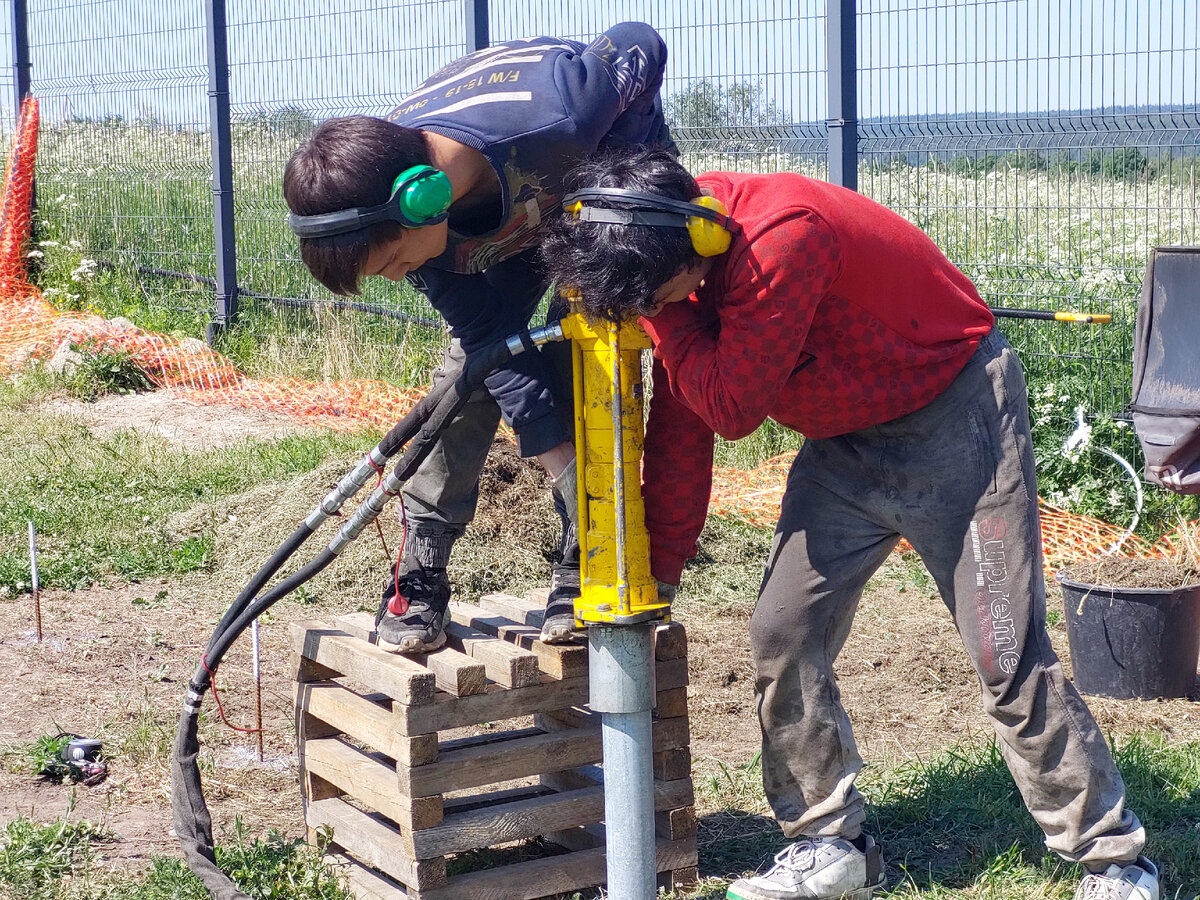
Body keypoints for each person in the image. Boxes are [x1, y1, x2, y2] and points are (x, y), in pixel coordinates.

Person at [540, 147, 1159, 900]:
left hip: (952, 421)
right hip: (844, 444)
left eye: (649, 300)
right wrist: (659, 573)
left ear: (696, 243)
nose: (648, 312)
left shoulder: (782, 238)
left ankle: (1114, 860)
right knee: (782, 630)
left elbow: (731, 409)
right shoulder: (673, 266)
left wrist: (664, 318)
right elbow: (686, 419)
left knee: (1005, 653)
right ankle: (832, 846)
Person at [283, 25, 676, 653]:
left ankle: (584, 559)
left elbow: (639, 43)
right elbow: (492, 340)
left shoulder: (561, 112)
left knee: (586, 350)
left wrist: (615, 181)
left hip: (578, 185)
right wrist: (565, 471)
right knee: (471, 371)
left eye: (387, 264)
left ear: (419, 200)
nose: (395, 278)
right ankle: (423, 568)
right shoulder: (411, 227)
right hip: (503, 222)